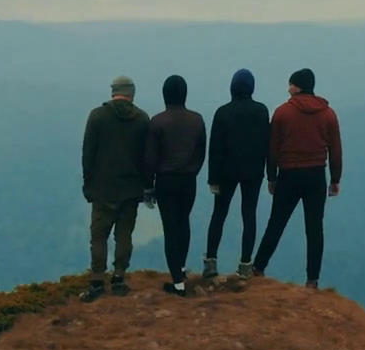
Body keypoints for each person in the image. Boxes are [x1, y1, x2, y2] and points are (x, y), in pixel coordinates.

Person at [250, 67, 342, 289]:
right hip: (316, 175)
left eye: (290, 83)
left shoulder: (282, 113)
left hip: (289, 174)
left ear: (297, 87)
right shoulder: (328, 114)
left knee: (276, 223)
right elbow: (335, 149)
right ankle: (312, 280)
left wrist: (271, 176)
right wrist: (335, 178)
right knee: (314, 228)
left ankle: (258, 268)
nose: (287, 87)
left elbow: (273, 149)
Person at [81, 75, 151, 301]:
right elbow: (146, 158)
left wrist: (88, 183)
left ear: (113, 92)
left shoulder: (97, 116)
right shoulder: (142, 120)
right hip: (131, 190)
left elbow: (88, 155)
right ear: (132, 94)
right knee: (124, 236)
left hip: (102, 189)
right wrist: (146, 186)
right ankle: (119, 278)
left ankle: (97, 281)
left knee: (99, 236)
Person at [203, 68, 270, 280]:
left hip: (226, 171)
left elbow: (215, 148)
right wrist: (270, 172)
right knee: (249, 215)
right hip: (253, 172)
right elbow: (267, 144)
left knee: (219, 214)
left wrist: (213, 178)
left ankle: (210, 262)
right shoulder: (261, 111)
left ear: (232, 87)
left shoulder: (223, 112)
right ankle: (245, 265)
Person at [146, 74, 207, 296]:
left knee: (170, 228)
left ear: (165, 95)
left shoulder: (158, 122)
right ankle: (180, 268)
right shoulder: (197, 119)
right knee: (183, 223)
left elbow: (150, 159)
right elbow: (201, 152)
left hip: (166, 181)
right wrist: (193, 171)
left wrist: (148, 186)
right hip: (189, 180)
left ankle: (177, 282)